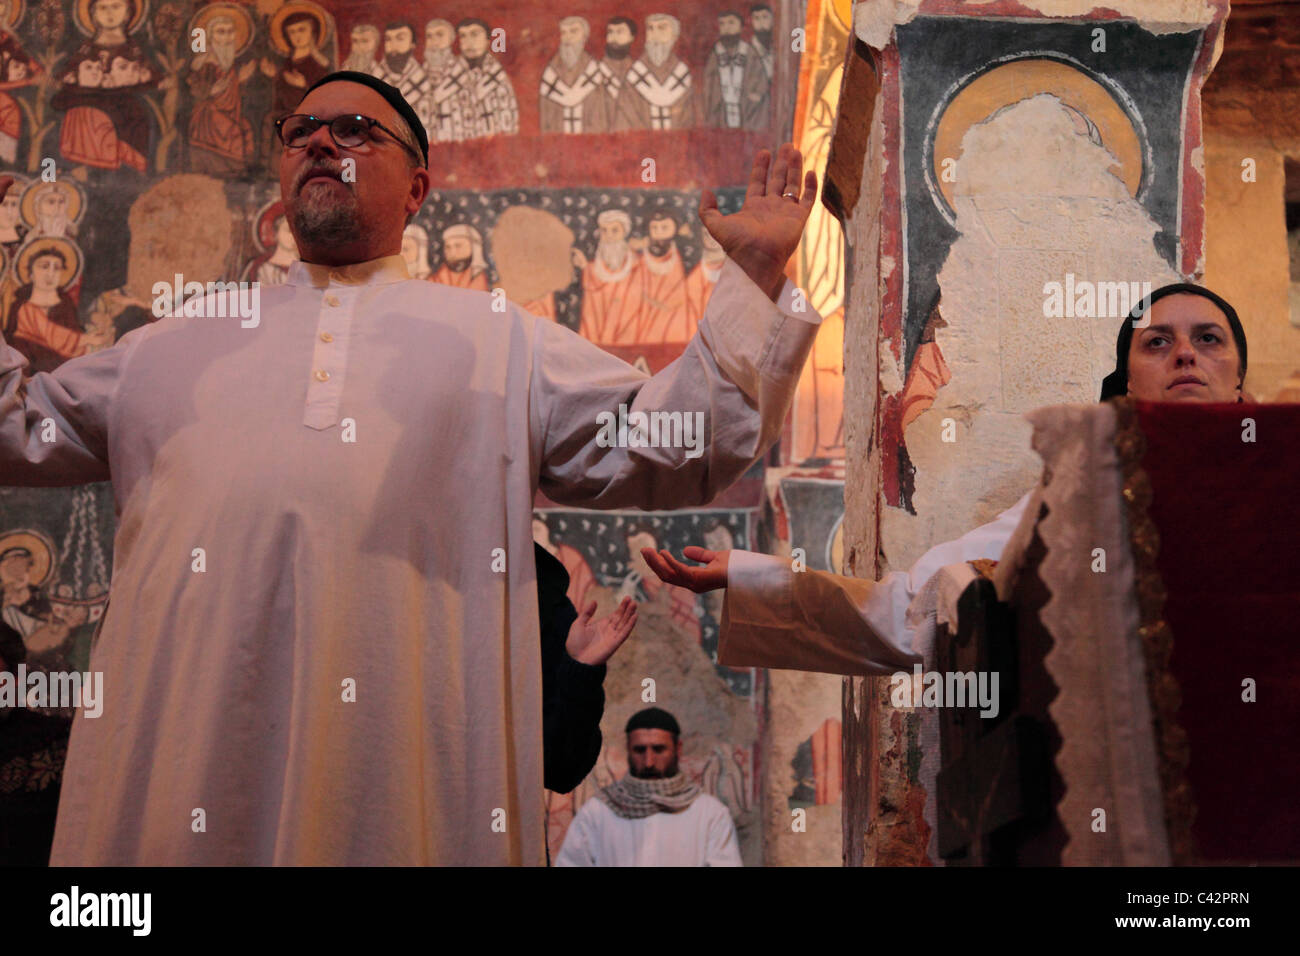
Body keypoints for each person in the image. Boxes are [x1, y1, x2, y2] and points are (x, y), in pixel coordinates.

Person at [0, 70, 820, 865]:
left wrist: (751, 279)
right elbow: (17, 428)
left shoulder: (502, 344)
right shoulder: (166, 349)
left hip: (403, 790)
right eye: (300, 132)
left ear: (418, 186)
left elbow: (680, 443)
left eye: (355, 130)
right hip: (185, 784)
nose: (321, 140)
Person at [642, 284, 1252, 676]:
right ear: (1122, 392)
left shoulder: (1279, 490)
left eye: (1207, 339)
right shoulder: (1076, 498)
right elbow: (912, 609)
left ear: (1242, 386)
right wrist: (753, 577)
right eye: (1157, 342)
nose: (1185, 355)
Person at [555, 707, 742, 866]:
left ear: (678, 749)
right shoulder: (597, 812)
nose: (649, 762)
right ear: (628, 749)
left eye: (659, 749)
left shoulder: (710, 814)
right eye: (639, 750)